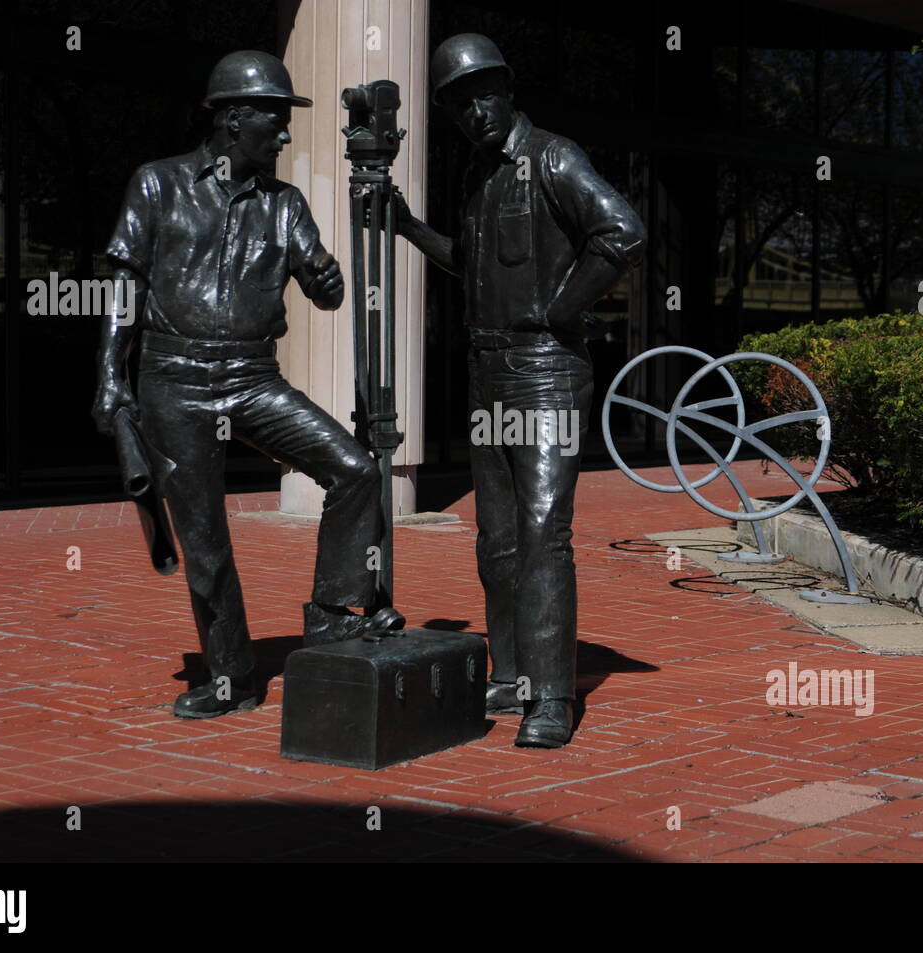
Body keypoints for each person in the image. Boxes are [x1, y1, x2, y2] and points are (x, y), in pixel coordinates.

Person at [92, 51, 399, 720]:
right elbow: (124, 286)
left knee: (354, 469)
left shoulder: (284, 204)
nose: (286, 136)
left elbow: (326, 290)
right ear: (234, 120)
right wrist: (110, 380)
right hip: (173, 379)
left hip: (254, 376)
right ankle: (230, 676)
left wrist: (326, 277)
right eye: (276, 121)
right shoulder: (159, 184)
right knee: (204, 539)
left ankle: (327, 612)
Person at [390, 34, 646, 747]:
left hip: (546, 374)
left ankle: (553, 697)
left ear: (507, 89)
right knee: (498, 539)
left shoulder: (554, 158)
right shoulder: (479, 177)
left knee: (541, 532)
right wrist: (409, 227)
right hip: (487, 374)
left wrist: (565, 307)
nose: (474, 111)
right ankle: (511, 675)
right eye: (458, 103)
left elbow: (623, 233)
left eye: (482, 94)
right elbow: (470, 264)